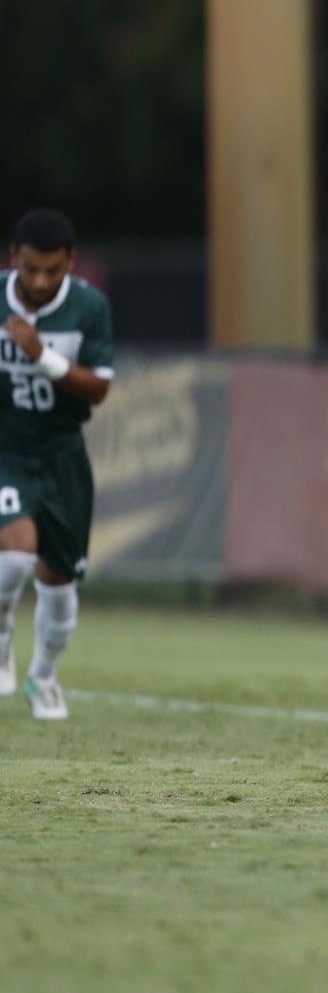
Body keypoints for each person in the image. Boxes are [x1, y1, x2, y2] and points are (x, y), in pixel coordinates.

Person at [0, 208, 114, 721]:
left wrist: (41, 355)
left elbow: (99, 385)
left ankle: (43, 677)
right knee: (14, 553)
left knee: (59, 582)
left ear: (70, 262)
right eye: (30, 269)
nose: (40, 281)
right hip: (7, 450)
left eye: (52, 270)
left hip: (63, 454)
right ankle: (2, 642)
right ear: (13, 261)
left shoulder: (89, 308)